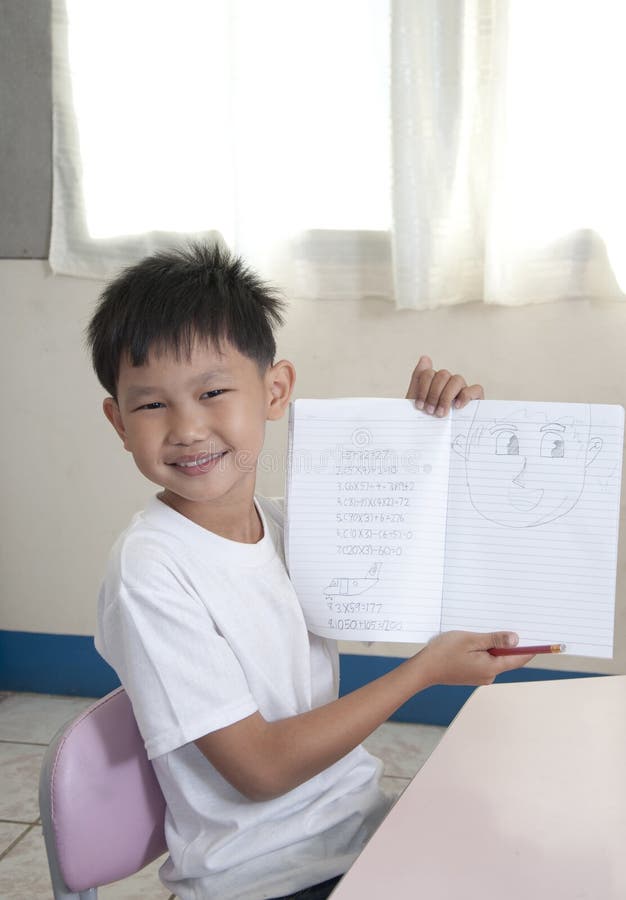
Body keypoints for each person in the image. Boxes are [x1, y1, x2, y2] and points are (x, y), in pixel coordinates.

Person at [88, 243, 534, 900]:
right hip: (265, 878)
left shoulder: (289, 526)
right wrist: (423, 673)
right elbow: (260, 770)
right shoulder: (149, 570)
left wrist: (431, 437)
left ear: (275, 391)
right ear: (119, 423)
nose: (186, 428)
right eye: (151, 405)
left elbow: (415, 560)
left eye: (212, 392)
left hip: (354, 831)